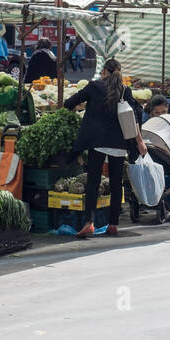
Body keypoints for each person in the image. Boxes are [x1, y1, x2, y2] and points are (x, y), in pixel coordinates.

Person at [64, 58, 147, 238]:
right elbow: (135, 118)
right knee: (116, 183)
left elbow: (70, 102)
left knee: (93, 181)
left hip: (97, 142)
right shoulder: (125, 90)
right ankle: (113, 224)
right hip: (119, 144)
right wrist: (140, 142)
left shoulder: (94, 87)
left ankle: (89, 222)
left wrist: (81, 107)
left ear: (104, 72)